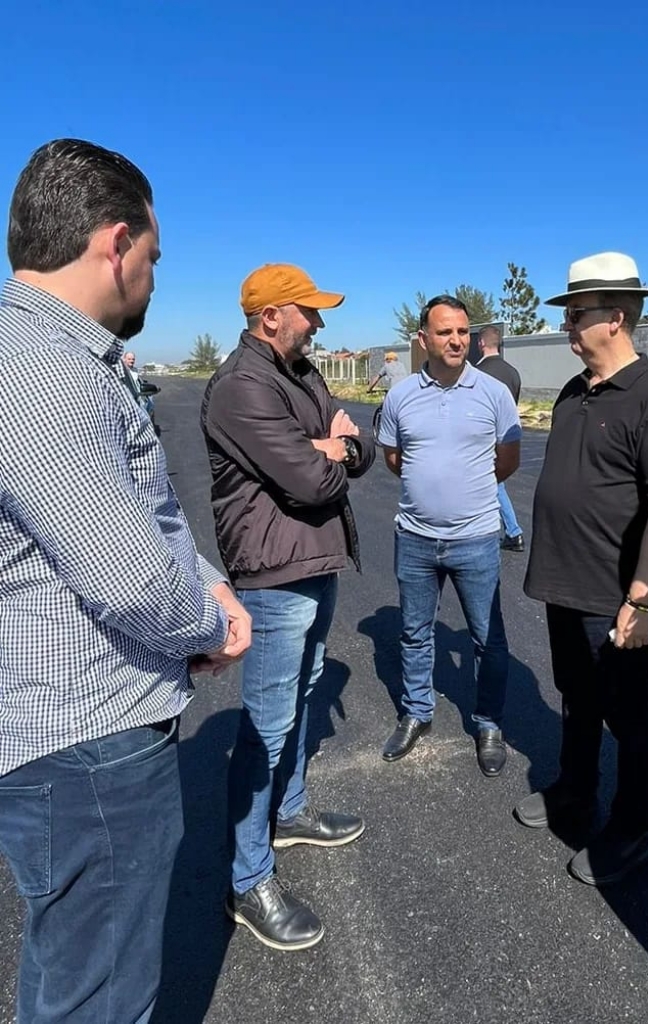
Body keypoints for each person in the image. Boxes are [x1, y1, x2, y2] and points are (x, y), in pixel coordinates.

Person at [0, 138, 250, 1024]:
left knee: (76, 974)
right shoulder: (42, 368)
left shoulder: (60, 356)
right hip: (88, 742)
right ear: (115, 244)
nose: (152, 277)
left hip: (80, 737)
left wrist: (210, 584)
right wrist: (209, 630)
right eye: (153, 255)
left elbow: (141, 509)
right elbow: (133, 577)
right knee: (99, 998)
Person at [201, 263, 374, 952]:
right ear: (271, 315)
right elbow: (310, 481)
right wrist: (323, 449)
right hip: (275, 577)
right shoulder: (241, 386)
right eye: (309, 310)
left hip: (316, 562)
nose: (320, 322)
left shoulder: (301, 374)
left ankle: (291, 811)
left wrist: (336, 445)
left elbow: (356, 451)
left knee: (303, 694)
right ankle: (248, 880)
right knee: (267, 727)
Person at [517, 252, 648, 886]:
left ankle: (633, 826)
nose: (567, 324)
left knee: (629, 715)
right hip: (563, 583)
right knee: (576, 696)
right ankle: (576, 789)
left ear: (615, 318)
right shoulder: (573, 393)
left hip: (614, 595)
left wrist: (641, 599)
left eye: (577, 314)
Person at [377, 295, 522, 776]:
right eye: (445, 332)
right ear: (424, 339)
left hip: (476, 538)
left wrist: (465, 490)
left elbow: (508, 460)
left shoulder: (494, 393)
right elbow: (394, 459)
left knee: (488, 639)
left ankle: (489, 724)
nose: (457, 340)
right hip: (415, 539)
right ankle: (416, 712)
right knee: (414, 633)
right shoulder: (400, 396)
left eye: (462, 331)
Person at [475, 324, 525, 552]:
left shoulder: (476, 373)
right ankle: (511, 531)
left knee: (492, 483)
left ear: (481, 343)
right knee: (496, 482)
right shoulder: (513, 373)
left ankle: (512, 531)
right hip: (507, 436)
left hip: (483, 437)